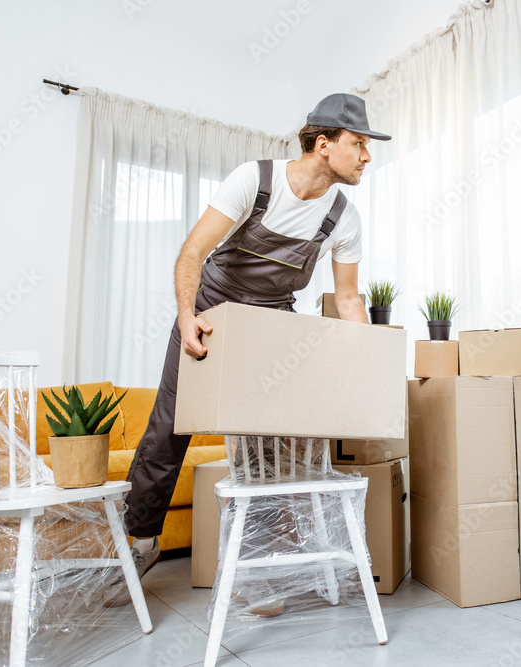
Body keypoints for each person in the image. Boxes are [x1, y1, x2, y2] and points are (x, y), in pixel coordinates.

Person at [106, 93, 391, 605]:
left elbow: (348, 299)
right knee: (171, 427)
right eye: (359, 144)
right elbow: (193, 251)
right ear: (324, 144)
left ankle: (264, 565)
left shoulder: (344, 217)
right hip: (210, 312)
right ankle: (139, 542)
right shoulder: (254, 180)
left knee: (269, 446)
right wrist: (187, 316)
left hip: (271, 322)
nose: (367, 156)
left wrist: (368, 363)